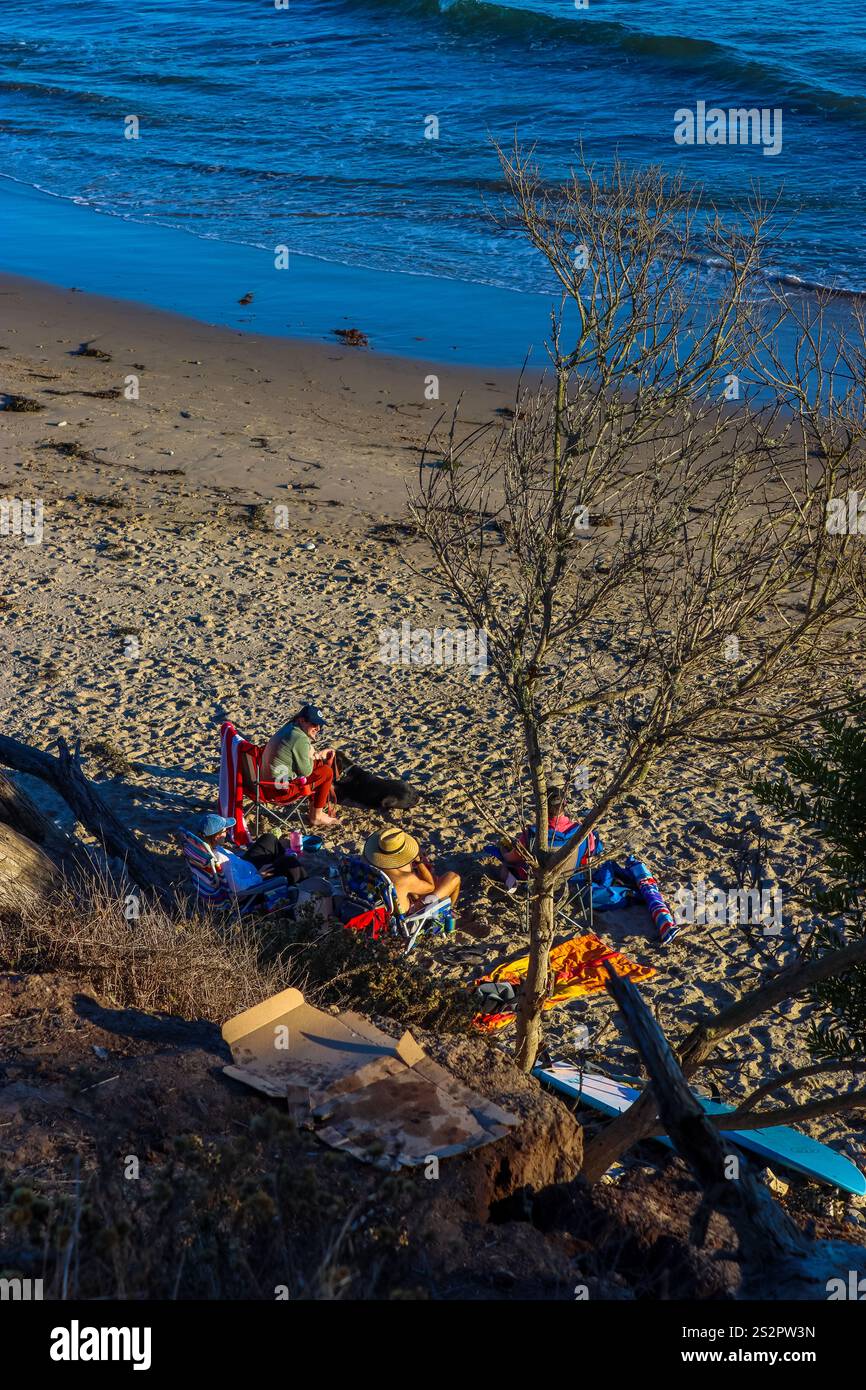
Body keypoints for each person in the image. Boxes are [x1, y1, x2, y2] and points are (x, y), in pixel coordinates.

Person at [497, 785, 598, 884]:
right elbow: (587, 861)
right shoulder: (583, 832)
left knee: (505, 869)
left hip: (537, 882)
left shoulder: (531, 834)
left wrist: (503, 851)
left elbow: (511, 858)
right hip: (569, 879)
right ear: (565, 804)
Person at [262, 702, 339, 829]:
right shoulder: (300, 738)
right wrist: (312, 754)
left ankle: (315, 811)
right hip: (280, 790)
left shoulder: (289, 727)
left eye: (319, 725)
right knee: (326, 772)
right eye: (314, 724)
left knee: (319, 765)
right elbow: (307, 772)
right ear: (302, 720)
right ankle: (316, 816)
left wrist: (315, 755)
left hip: (265, 783)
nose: (318, 728)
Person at [192, 814, 302, 893]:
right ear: (217, 837)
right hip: (252, 877)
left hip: (244, 865)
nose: (227, 833)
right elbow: (238, 888)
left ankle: (279, 864)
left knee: (269, 838)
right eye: (225, 831)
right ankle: (301, 887)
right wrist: (259, 876)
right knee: (291, 862)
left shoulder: (204, 848)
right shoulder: (222, 861)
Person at [363, 827, 460, 917]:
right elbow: (430, 887)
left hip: (381, 904)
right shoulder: (404, 878)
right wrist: (419, 862)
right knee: (453, 877)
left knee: (409, 874)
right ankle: (449, 911)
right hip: (409, 915)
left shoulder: (367, 862)